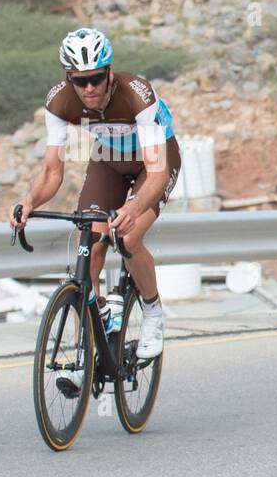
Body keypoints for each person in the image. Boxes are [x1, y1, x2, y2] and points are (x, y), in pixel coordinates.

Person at [9, 28, 181, 383]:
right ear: (68, 78)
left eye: (96, 78)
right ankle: (85, 351)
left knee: (128, 238)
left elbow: (156, 171)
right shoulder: (60, 102)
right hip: (109, 162)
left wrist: (133, 207)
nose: (89, 88)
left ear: (109, 72)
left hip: (154, 163)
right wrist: (29, 201)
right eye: (79, 80)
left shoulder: (137, 93)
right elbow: (52, 172)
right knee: (87, 246)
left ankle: (152, 312)